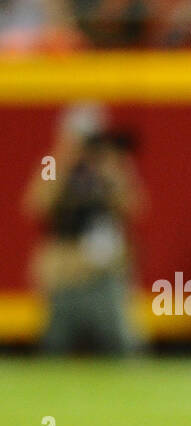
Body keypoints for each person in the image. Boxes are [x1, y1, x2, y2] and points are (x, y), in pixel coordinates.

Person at [23, 103, 144, 356]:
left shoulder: (110, 163)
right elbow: (36, 203)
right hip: (66, 272)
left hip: (105, 273)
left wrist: (112, 170)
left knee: (123, 346)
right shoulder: (52, 163)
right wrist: (63, 159)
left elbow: (135, 205)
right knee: (56, 346)